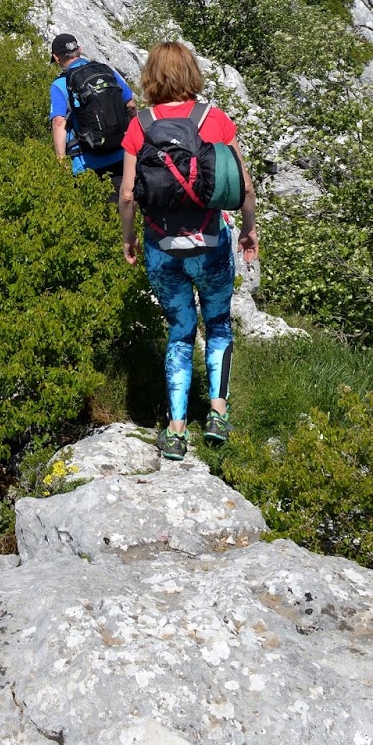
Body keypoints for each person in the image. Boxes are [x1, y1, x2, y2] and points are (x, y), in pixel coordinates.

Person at [117, 41, 258, 461]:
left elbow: (127, 194)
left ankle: (176, 431)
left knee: (179, 333)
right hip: (210, 243)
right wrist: (249, 229)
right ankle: (217, 414)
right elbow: (245, 186)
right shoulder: (215, 120)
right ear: (192, 73)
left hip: (162, 248)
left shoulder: (139, 125)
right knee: (217, 326)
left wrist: (128, 239)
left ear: (151, 76)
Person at [49, 34, 137, 200]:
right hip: (121, 154)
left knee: (96, 218)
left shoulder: (60, 84)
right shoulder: (106, 71)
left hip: (87, 164)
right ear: (80, 50)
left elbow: (59, 122)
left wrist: (61, 162)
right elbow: (131, 105)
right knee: (127, 208)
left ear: (56, 57)